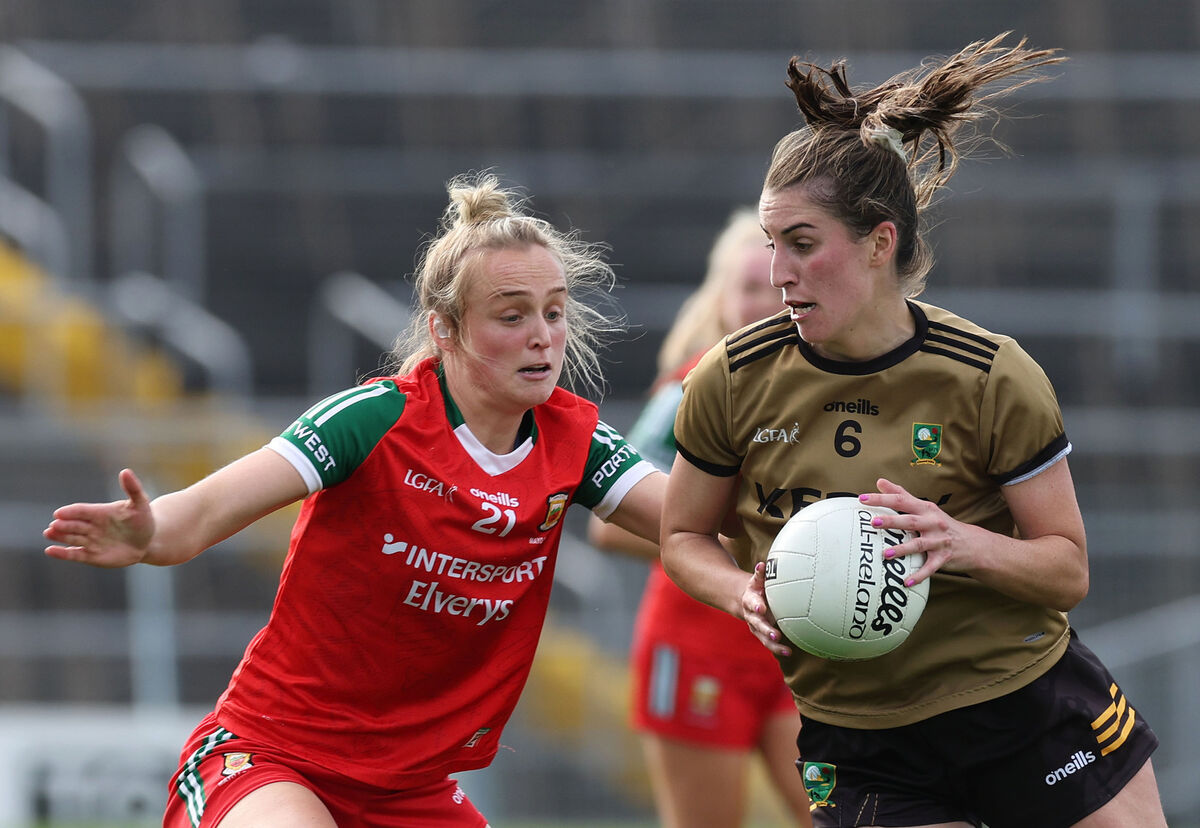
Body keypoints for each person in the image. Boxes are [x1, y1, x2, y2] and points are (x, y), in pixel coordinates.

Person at [43, 172, 666, 828]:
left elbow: (692, 518)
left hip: (409, 791)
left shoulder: (578, 439)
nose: (542, 334)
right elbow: (194, 517)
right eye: (512, 315)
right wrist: (148, 532)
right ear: (445, 329)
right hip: (271, 758)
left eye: (554, 310)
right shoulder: (373, 421)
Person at [659, 34, 1168, 828]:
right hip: (864, 744)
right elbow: (683, 534)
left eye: (801, 244)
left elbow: (1067, 571)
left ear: (877, 244)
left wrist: (961, 543)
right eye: (771, 245)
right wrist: (741, 593)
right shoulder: (728, 379)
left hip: (1022, 708)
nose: (779, 273)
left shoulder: (990, 375)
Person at [589, 207, 811, 828]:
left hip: (796, 652)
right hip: (696, 654)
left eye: (775, 286)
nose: (765, 302)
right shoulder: (688, 392)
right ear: (721, 299)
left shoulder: (834, 396)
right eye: (747, 288)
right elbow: (606, 526)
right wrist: (737, 543)